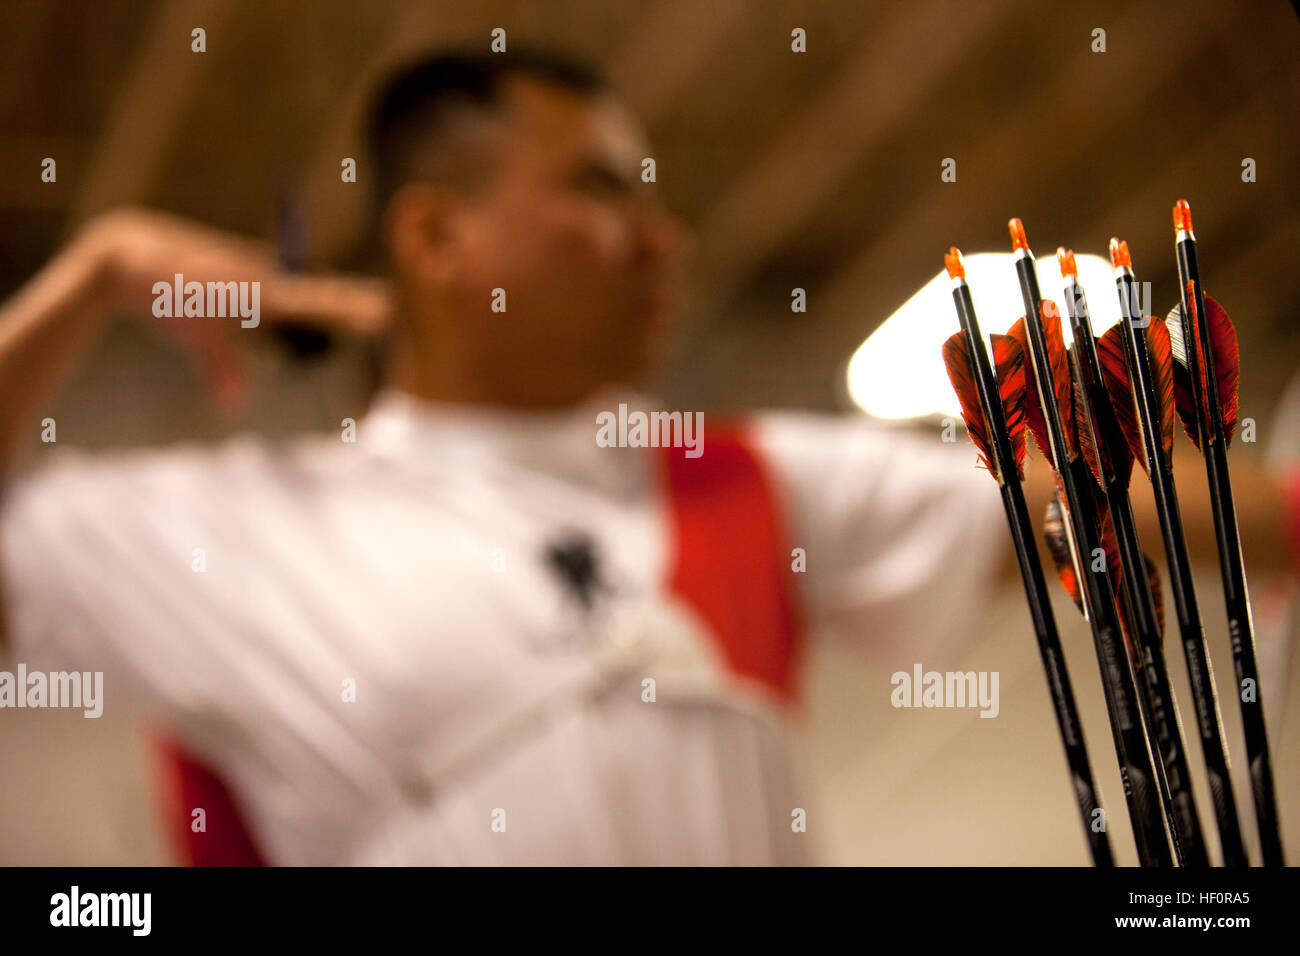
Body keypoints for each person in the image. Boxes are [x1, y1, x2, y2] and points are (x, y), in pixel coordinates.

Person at [0, 47, 1287, 865]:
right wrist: (88, 280)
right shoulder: (238, 526)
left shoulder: (748, 477)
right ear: (439, 238)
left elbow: (1133, 510)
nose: (663, 236)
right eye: (605, 188)